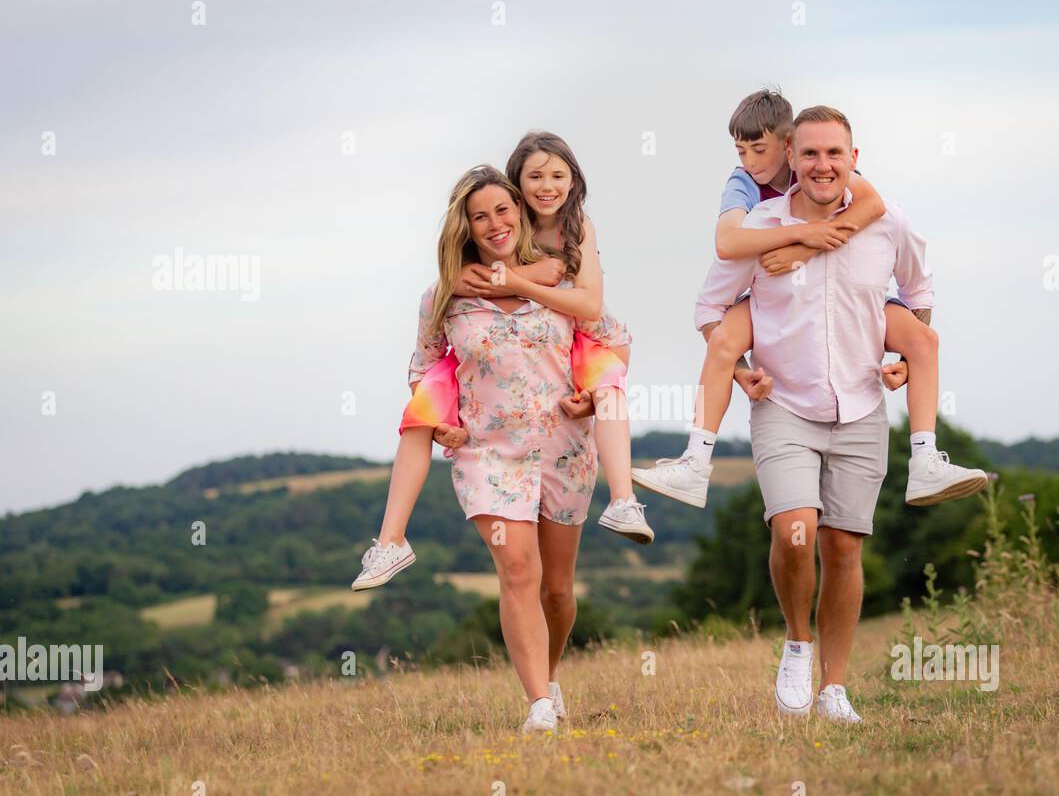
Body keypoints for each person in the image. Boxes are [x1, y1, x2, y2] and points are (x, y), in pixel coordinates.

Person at [694, 106, 965, 723]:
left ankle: (834, 687)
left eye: (834, 154)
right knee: (794, 531)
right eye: (811, 154)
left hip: (862, 406)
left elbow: (919, 297)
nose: (822, 165)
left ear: (853, 158)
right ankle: (796, 643)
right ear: (793, 157)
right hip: (784, 404)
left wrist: (904, 353)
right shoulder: (762, 223)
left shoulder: (888, 222)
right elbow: (710, 307)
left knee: (843, 547)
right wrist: (738, 370)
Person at [632, 87, 985, 509]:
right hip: (769, 292)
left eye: (757, 149)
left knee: (925, 341)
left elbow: (871, 207)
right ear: (794, 152)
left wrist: (805, 248)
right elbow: (727, 243)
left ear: (784, 147)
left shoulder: (839, 174)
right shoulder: (745, 183)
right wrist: (800, 234)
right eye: (740, 150)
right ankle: (695, 461)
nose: (748, 161)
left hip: (850, 296)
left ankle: (926, 459)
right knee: (725, 339)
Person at [352, 133, 652, 593]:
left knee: (557, 589)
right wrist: (439, 419)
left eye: (557, 176)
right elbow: (427, 355)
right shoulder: (455, 285)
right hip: (483, 416)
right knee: (419, 414)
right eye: (534, 177)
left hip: (573, 355)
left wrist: (521, 281)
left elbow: (596, 313)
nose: (546, 187)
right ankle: (391, 540)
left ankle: (624, 498)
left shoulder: (574, 231)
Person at [383, 164, 602, 732]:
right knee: (517, 570)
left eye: (503, 210)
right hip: (487, 453)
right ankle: (537, 705)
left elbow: (609, 340)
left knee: (556, 589)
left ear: (522, 214)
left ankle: (548, 680)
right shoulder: (445, 295)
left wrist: (592, 396)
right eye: (479, 216)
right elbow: (424, 364)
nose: (494, 223)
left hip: (565, 448)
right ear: (465, 227)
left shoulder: (558, 278)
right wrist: (439, 422)